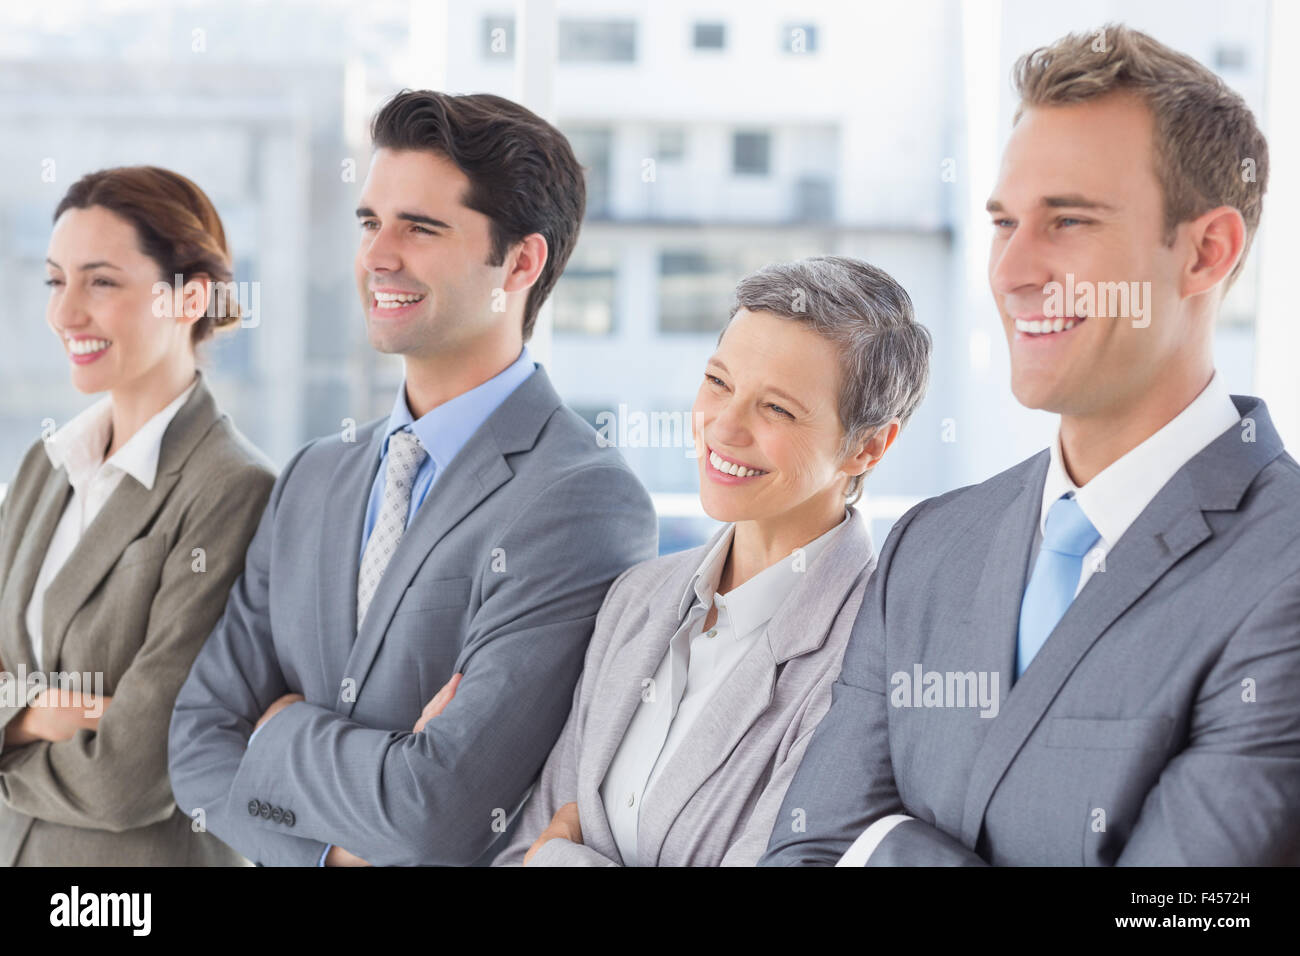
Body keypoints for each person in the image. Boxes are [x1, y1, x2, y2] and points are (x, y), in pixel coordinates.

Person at [763, 24, 1300, 867]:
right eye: (1005, 222)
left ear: (1206, 252)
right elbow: (803, 853)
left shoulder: (1284, 571)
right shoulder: (930, 548)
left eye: (1070, 221)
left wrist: (888, 848)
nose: (1013, 270)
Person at [167, 90, 659, 867]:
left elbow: (437, 810)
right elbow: (196, 744)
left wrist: (278, 733)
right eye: (370, 223)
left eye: (420, 229)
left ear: (521, 261)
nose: (377, 256)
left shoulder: (581, 499)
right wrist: (332, 856)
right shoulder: (314, 476)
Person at [491, 256, 931, 866]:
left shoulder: (872, 653)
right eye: (719, 382)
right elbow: (523, 843)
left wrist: (563, 859)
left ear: (867, 445)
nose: (723, 426)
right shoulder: (636, 599)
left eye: (777, 408)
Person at [0, 166, 272, 865]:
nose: (66, 313)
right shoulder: (45, 466)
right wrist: (32, 717)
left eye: (102, 282)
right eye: (56, 281)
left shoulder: (233, 490)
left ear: (191, 297)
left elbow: (133, 773)